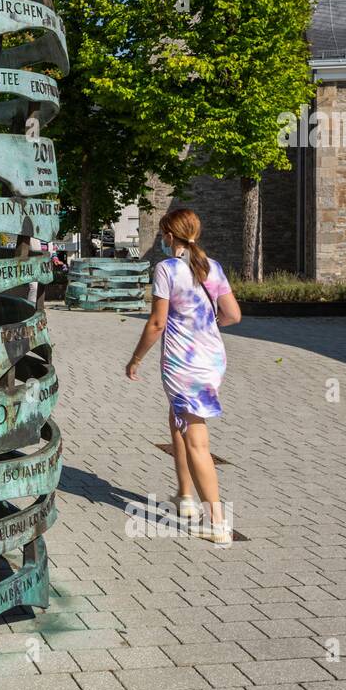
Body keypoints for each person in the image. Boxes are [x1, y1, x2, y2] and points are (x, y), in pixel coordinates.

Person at [125, 209, 241, 545]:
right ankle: (185, 495)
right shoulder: (212, 267)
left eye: (163, 234)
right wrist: (205, 324)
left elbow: (157, 323)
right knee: (181, 421)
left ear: (169, 235)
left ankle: (217, 521)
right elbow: (233, 315)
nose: (162, 240)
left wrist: (135, 359)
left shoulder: (166, 269)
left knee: (197, 442)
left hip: (182, 364)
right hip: (212, 359)